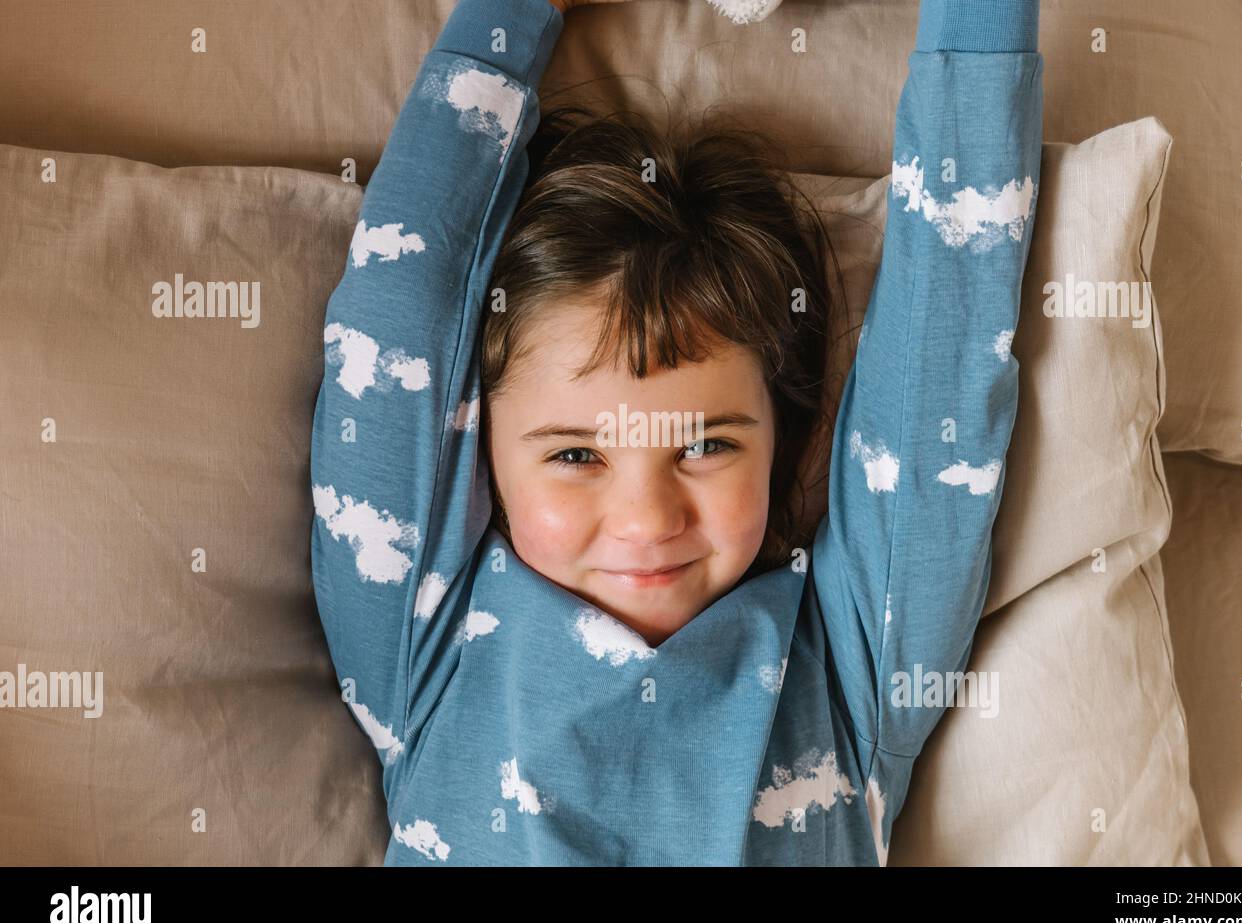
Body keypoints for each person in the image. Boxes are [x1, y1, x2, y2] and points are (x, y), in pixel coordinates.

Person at [310, 0, 1042, 865]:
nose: (647, 519)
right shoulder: (431, 653)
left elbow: (941, 362)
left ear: (786, 439)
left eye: (705, 446)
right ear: (483, 456)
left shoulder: (848, 671)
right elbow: (401, 311)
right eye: (577, 455)